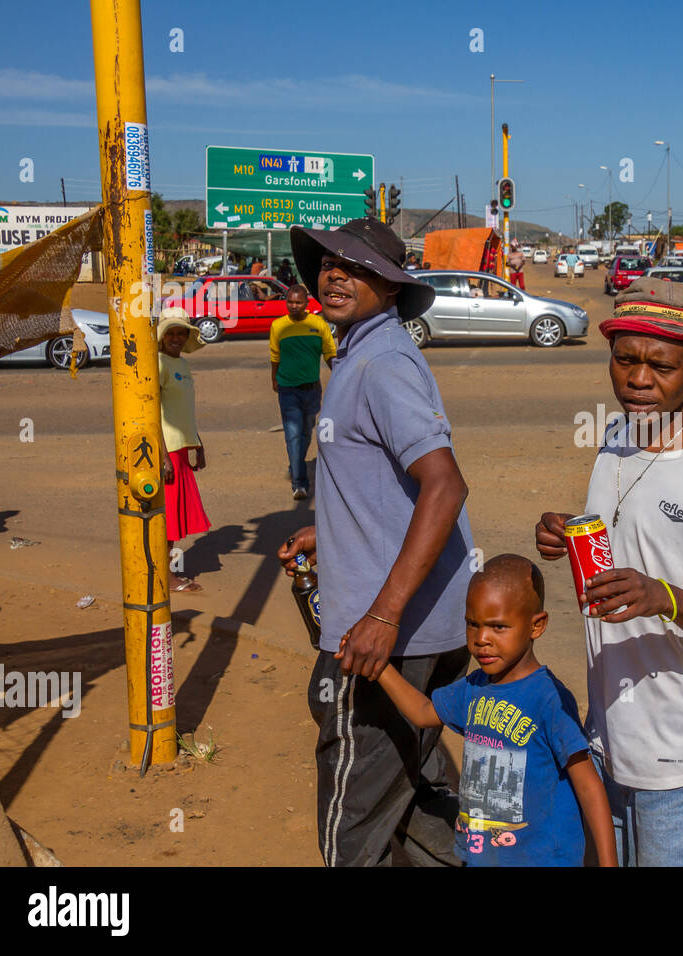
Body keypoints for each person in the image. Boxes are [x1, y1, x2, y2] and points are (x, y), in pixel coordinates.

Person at [535, 278, 683, 867]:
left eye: (661, 367)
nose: (638, 379)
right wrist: (568, 529)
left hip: (677, 754)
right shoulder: (616, 436)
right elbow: (626, 529)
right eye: (624, 360)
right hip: (607, 732)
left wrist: (661, 595)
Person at [277, 217, 475, 868]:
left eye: (357, 267)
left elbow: (443, 487)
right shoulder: (360, 352)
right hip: (414, 624)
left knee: (351, 826)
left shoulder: (383, 360)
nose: (336, 274)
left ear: (390, 288)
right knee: (416, 793)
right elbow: (387, 489)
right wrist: (329, 531)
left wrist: (384, 613)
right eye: (330, 263)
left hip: (392, 632)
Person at [360, 554, 617, 867]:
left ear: (537, 625)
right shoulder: (474, 687)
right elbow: (424, 711)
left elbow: (589, 785)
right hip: (487, 857)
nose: (482, 639)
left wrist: (607, 862)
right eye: (473, 624)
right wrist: (379, 666)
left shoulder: (549, 699)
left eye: (498, 627)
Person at [156, 307, 211, 593]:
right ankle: (165, 576)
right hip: (167, 452)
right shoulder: (159, 364)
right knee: (168, 519)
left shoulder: (182, 365)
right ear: (161, 336)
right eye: (170, 333)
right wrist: (163, 456)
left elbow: (182, 411)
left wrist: (197, 443)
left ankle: (164, 573)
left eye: (180, 333)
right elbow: (151, 413)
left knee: (176, 516)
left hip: (181, 451)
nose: (175, 338)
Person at [269, 284, 336, 500]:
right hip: (288, 389)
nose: (294, 306)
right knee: (293, 435)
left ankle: (296, 462)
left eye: (298, 302)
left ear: (307, 304)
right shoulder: (278, 326)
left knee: (306, 432)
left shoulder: (318, 324)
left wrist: (340, 377)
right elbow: (274, 357)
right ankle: (300, 483)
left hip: (312, 389)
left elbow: (329, 354)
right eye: (290, 302)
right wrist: (274, 380)